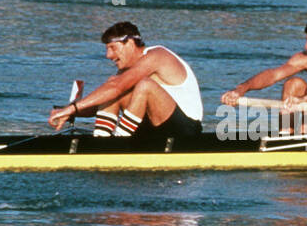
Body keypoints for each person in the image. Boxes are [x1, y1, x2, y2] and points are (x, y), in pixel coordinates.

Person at [48, 22, 203, 141]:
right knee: (112, 86)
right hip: (157, 127)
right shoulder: (127, 70)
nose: (108, 55)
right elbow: (105, 97)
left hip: (186, 130)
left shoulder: (157, 55)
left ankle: (120, 142)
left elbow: (116, 87)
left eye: (113, 48)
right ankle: (101, 141)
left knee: (141, 85)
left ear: (129, 43)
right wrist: (70, 112)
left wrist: (72, 108)